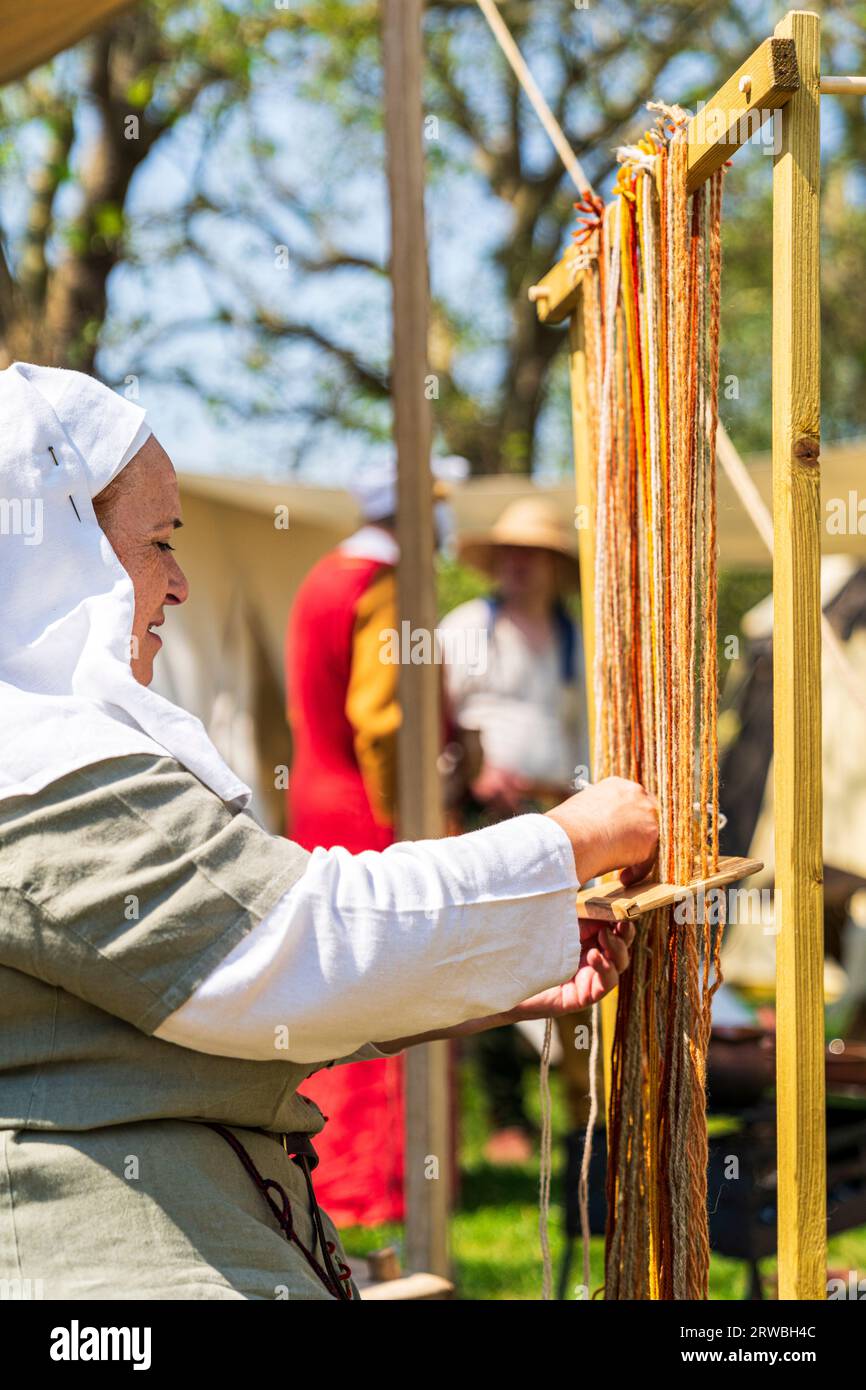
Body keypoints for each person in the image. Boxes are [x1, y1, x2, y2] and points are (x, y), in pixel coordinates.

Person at [0, 363, 657, 1300]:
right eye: (157, 543)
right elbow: (286, 949)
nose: (178, 583)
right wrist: (566, 839)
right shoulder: (34, 769)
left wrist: (511, 957)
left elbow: (221, 994)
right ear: (66, 553)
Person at [439, 496, 591, 1162]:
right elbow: (429, 724)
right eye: (509, 553)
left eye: (532, 555)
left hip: (559, 814)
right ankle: (506, 1118)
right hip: (486, 816)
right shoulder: (465, 628)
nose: (517, 565)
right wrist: (470, 774)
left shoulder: (577, 639)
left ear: (556, 566)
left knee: (563, 953)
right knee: (491, 956)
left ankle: (576, 1106)